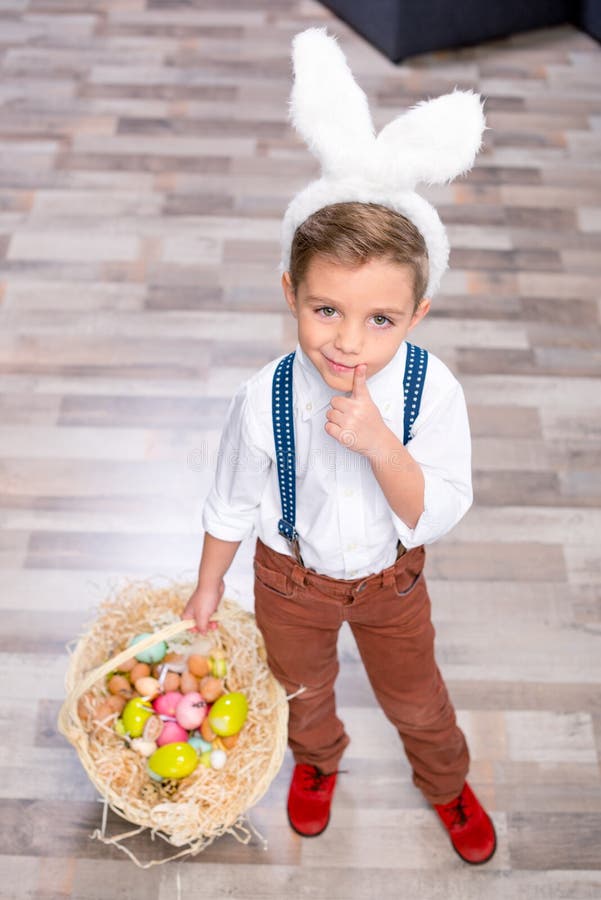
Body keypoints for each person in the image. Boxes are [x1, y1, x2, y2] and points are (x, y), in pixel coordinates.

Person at [183, 28, 496, 864]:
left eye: (379, 320)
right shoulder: (265, 398)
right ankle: (317, 761)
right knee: (301, 692)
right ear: (291, 293)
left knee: (419, 700)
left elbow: (436, 510)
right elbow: (231, 499)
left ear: (416, 316)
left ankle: (444, 781)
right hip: (291, 581)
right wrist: (208, 589)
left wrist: (382, 446)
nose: (348, 342)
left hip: (393, 583)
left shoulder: (434, 391)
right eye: (326, 310)